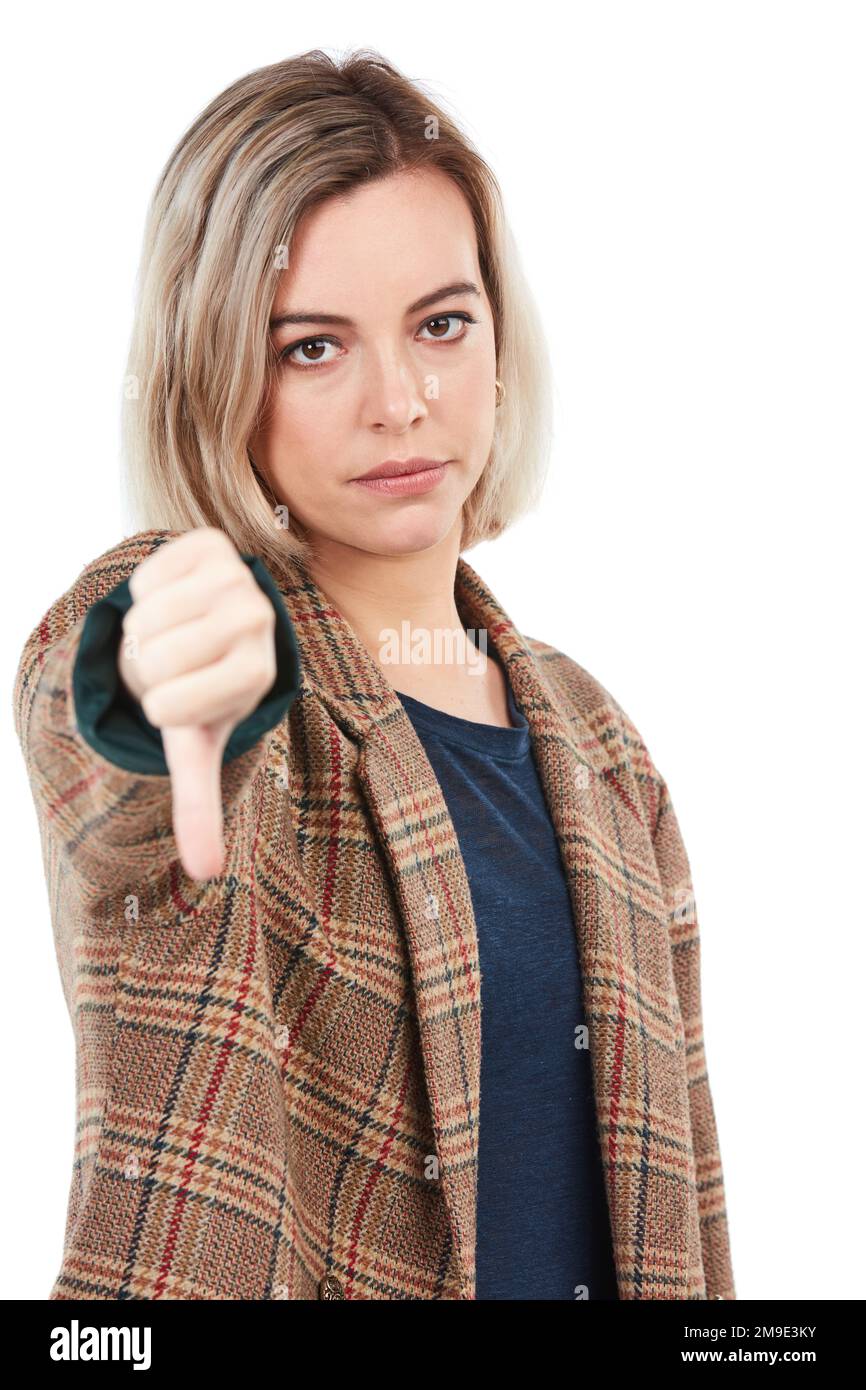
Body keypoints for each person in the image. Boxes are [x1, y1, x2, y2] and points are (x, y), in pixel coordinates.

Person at [13, 48, 734, 1301]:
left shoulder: (603, 746)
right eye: (310, 348)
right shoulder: (215, 659)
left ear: (498, 343)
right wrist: (160, 690)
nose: (399, 400)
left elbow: (689, 1204)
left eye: (440, 324)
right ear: (214, 377)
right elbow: (116, 743)